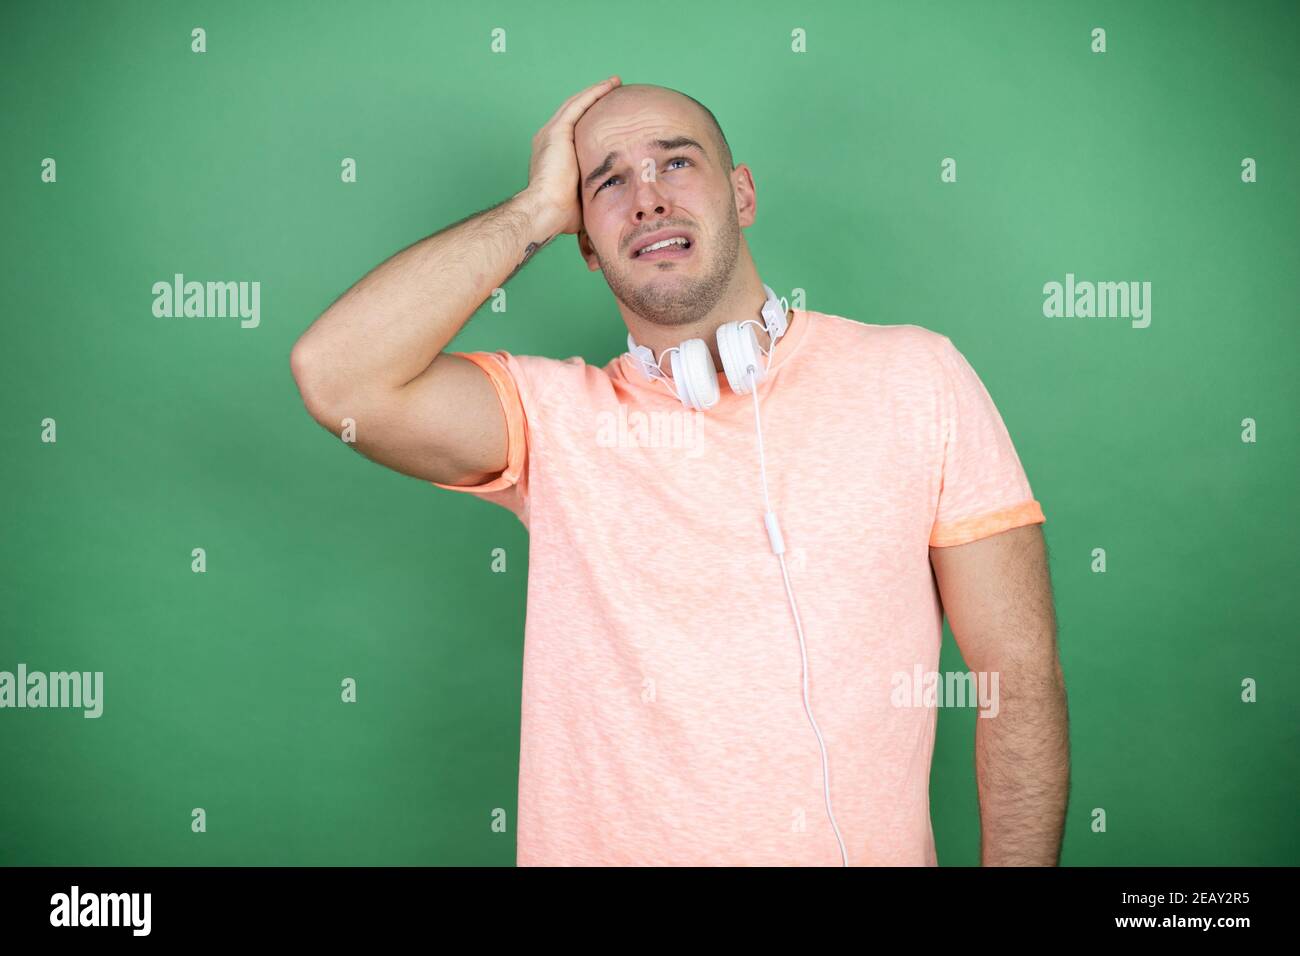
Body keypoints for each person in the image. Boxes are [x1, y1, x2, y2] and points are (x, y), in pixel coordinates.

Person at [289, 77, 1070, 866]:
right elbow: (336, 376)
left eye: (676, 163)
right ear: (585, 242)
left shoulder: (918, 378)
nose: (647, 199)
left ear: (743, 195)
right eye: (609, 182)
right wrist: (534, 210)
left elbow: (1018, 680)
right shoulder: (551, 420)